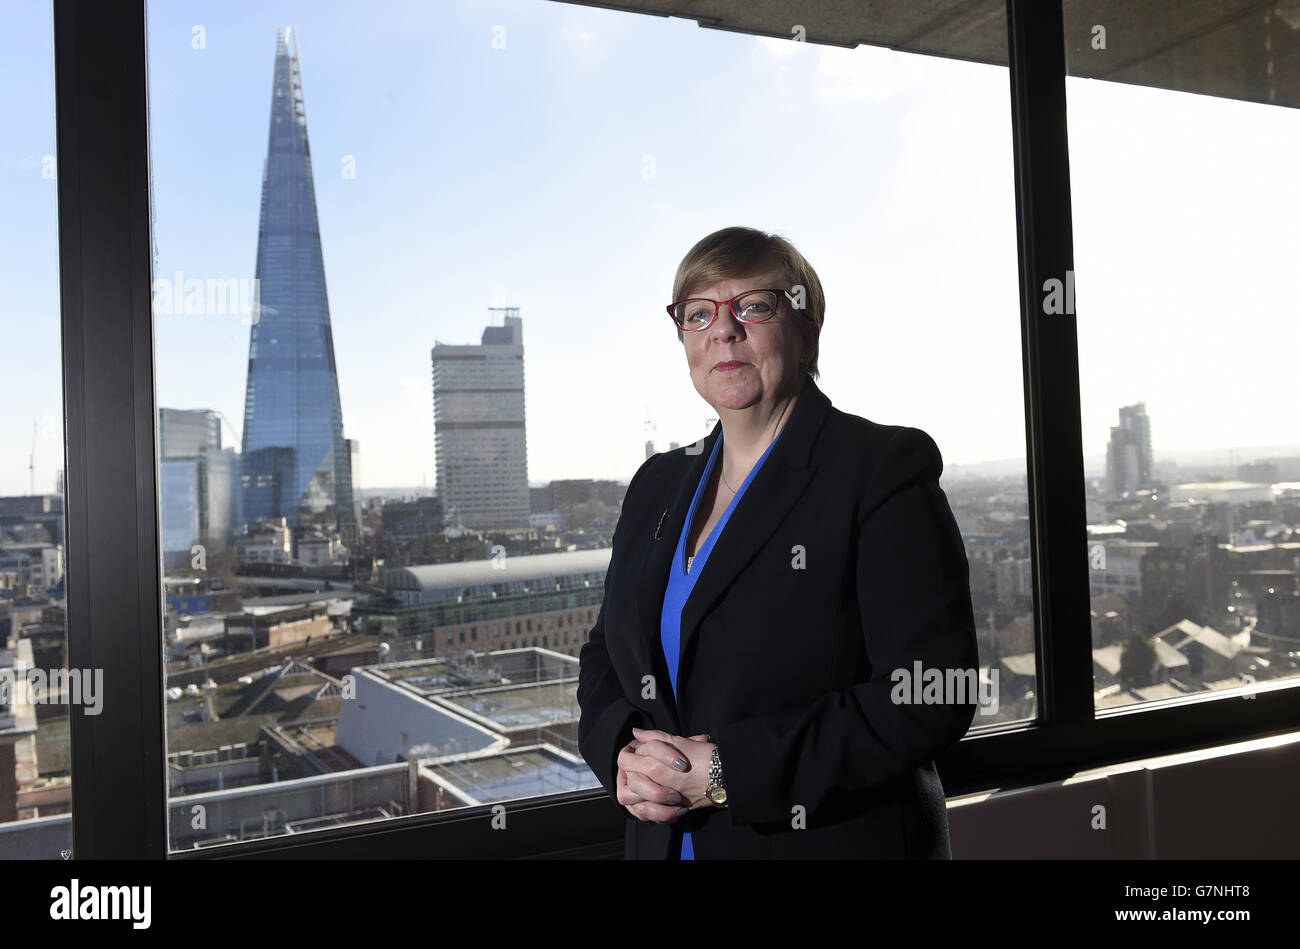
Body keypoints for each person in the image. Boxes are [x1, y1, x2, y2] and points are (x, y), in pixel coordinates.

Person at [577, 225, 979, 859]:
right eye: (699, 313)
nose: (723, 330)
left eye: (753, 306)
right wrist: (622, 751)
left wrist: (725, 772)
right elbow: (606, 651)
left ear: (807, 328)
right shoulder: (658, 482)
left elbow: (932, 691)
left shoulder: (880, 468)